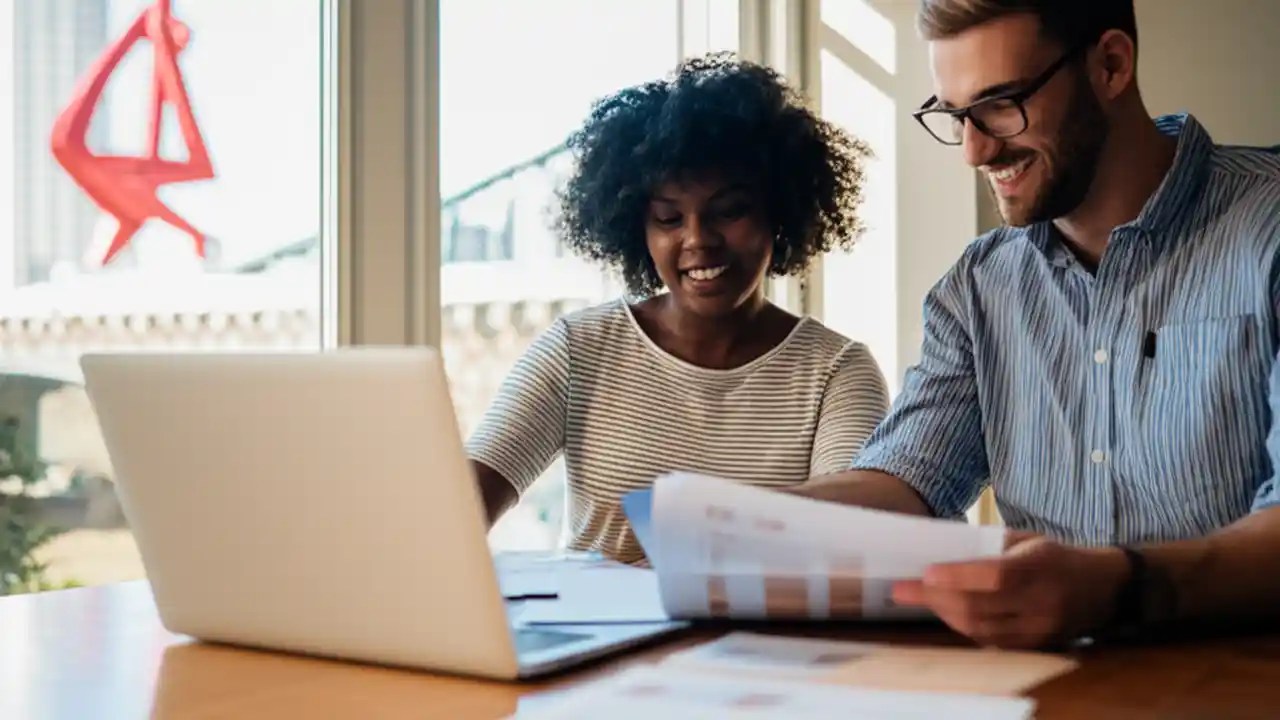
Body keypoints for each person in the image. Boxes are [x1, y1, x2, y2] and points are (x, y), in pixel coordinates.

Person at [796, 0, 1280, 647]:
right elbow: (907, 478)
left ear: (1111, 65)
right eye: (956, 114)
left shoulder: (1268, 229)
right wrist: (736, 520)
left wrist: (1115, 586)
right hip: (1045, 688)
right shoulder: (977, 288)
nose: (974, 149)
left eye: (1002, 103)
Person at [467, 53, 889, 564]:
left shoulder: (837, 372)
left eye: (729, 211)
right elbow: (460, 507)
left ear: (779, 212)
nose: (698, 240)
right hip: (595, 639)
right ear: (636, 229)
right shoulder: (579, 349)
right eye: (668, 218)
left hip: (763, 641)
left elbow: (848, 541)